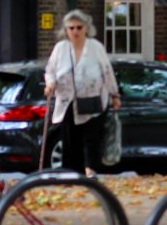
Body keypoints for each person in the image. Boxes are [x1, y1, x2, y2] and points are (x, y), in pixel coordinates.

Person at [41, 10, 120, 176]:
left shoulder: (96, 47)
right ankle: (72, 175)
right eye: (71, 28)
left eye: (79, 27)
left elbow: (107, 71)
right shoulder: (60, 48)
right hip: (67, 102)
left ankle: (91, 172)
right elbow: (50, 71)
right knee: (70, 141)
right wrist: (50, 84)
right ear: (66, 30)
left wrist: (114, 94)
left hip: (94, 100)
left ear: (86, 28)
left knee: (91, 138)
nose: (75, 31)